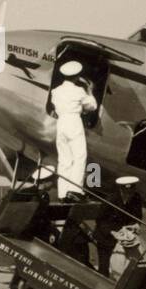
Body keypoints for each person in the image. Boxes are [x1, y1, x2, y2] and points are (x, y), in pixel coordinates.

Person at [49, 60, 98, 202]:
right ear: (77, 76)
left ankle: (63, 193)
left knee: (64, 159)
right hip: (73, 122)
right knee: (79, 156)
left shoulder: (55, 91)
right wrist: (90, 91)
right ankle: (75, 190)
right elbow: (92, 106)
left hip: (61, 123)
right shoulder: (79, 91)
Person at [95, 175, 145, 276]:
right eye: (126, 193)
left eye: (131, 192)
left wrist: (135, 225)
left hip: (124, 238)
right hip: (106, 237)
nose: (129, 195)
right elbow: (100, 220)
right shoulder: (111, 199)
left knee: (123, 266)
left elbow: (137, 216)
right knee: (104, 267)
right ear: (121, 189)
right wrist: (112, 232)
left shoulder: (136, 197)